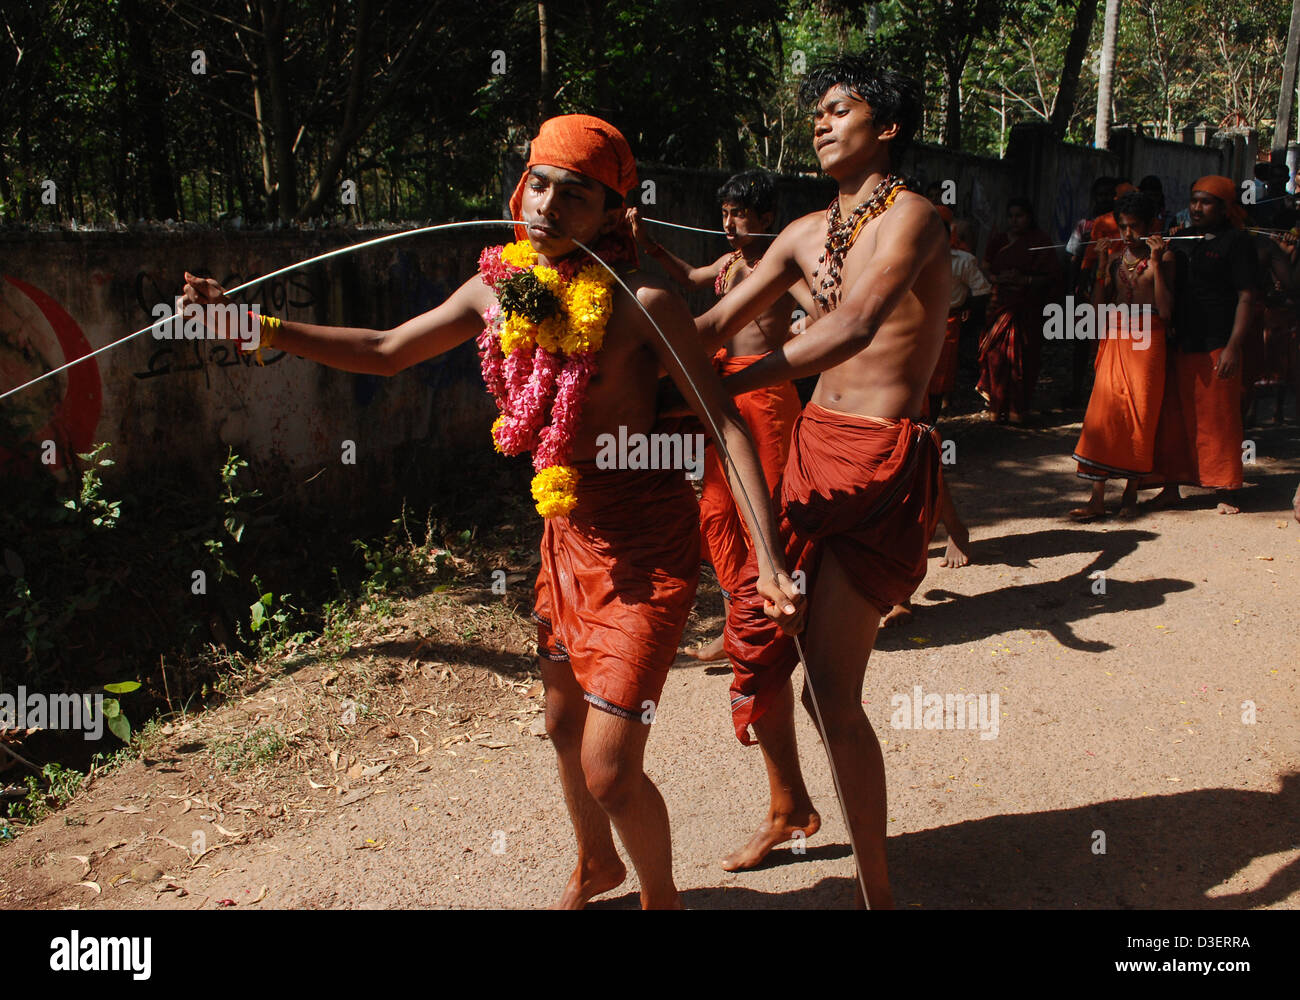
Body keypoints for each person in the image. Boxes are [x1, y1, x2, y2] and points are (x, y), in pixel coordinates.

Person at [181, 114, 803, 910]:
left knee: (610, 768)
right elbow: (385, 350)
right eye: (538, 184)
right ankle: (595, 866)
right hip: (564, 533)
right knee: (560, 724)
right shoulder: (500, 286)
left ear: (614, 213)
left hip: (646, 548)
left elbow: (723, 423)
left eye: (576, 195)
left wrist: (771, 563)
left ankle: (661, 900)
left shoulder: (642, 301)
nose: (547, 206)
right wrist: (255, 327)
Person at [688, 55, 949, 908]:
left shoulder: (916, 218)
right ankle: (789, 804)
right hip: (808, 452)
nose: (822, 123)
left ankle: (878, 894)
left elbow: (856, 322)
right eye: (818, 113)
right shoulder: (800, 232)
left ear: (890, 127)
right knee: (758, 649)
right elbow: (712, 323)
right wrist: (606, 326)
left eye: (842, 110)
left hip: (876, 463)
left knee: (830, 689)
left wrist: (732, 380)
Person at [630, 171, 805, 664]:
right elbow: (690, 278)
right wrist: (649, 245)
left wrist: (802, 336)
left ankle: (775, 614)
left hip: (767, 389)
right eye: (724, 214)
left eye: (740, 215)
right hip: (722, 386)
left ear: (767, 218)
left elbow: (825, 312)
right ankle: (738, 619)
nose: (728, 224)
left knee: (767, 508)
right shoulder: (729, 262)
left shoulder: (782, 266)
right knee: (714, 512)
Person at [1142, 175, 1259, 514]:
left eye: (1206, 201)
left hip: (1218, 340)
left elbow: (1247, 296)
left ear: (1224, 208)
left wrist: (1234, 346)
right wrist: (1159, 257)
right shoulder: (1180, 241)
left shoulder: (1237, 242)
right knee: (1175, 417)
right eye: (1194, 200)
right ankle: (1171, 486)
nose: (1196, 207)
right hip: (1182, 339)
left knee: (1219, 417)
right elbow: (1165, 295)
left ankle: (1226, 488)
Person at [1069, 190, 1174, 519]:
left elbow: (1167, 310)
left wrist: (1155, 264)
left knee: (1140, 413)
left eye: (1134, 226)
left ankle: (1130, 495)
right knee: (1103, 413)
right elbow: (1097, 309)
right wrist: (1101, 266)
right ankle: (1096, 498)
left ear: (1150, 225)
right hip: (1115, 337)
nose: (1128, 234)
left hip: (1149, 342)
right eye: (1123, 227)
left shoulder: (1166, 259)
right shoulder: (1114, 261)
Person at [975, 197, 1059, 423]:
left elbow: (1051, 276)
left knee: (1024, 357)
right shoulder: (999, 240)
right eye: (1011, 216)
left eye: (1019, 216)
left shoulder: (1040, 241)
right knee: (995, 355)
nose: (1014, 221)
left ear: (1029, 217)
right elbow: (984, 267)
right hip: (999, 304)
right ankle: (996, 406)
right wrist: (997, 278)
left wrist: (1026, 280)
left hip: (1026, 308)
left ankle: (1017, 409)